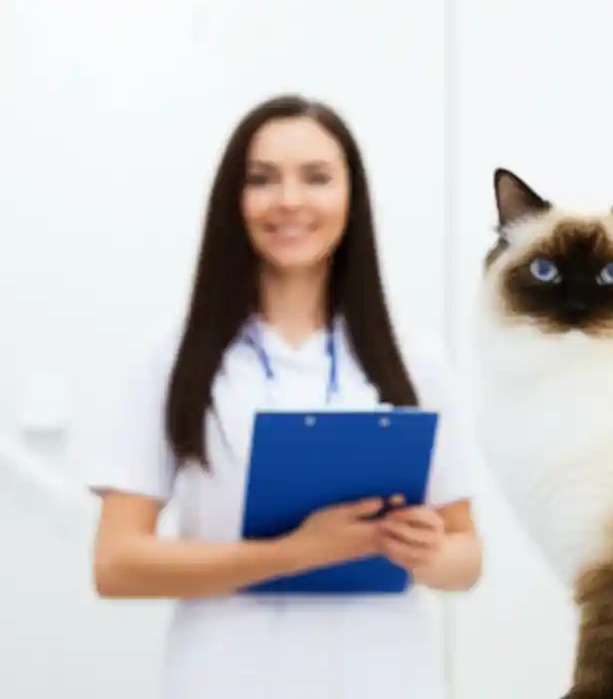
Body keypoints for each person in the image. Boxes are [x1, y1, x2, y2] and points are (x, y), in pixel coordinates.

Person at [87, 94, 483, 699]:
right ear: (233, 201)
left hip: (384, 675)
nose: (290, 200)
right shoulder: (174, 358)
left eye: (317, 178)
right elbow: (116, 564)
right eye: (262, 179)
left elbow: (466, 558)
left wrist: (425, 552)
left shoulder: (414, 357)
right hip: (224, 676)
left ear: (351, 198)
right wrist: (296, 553)